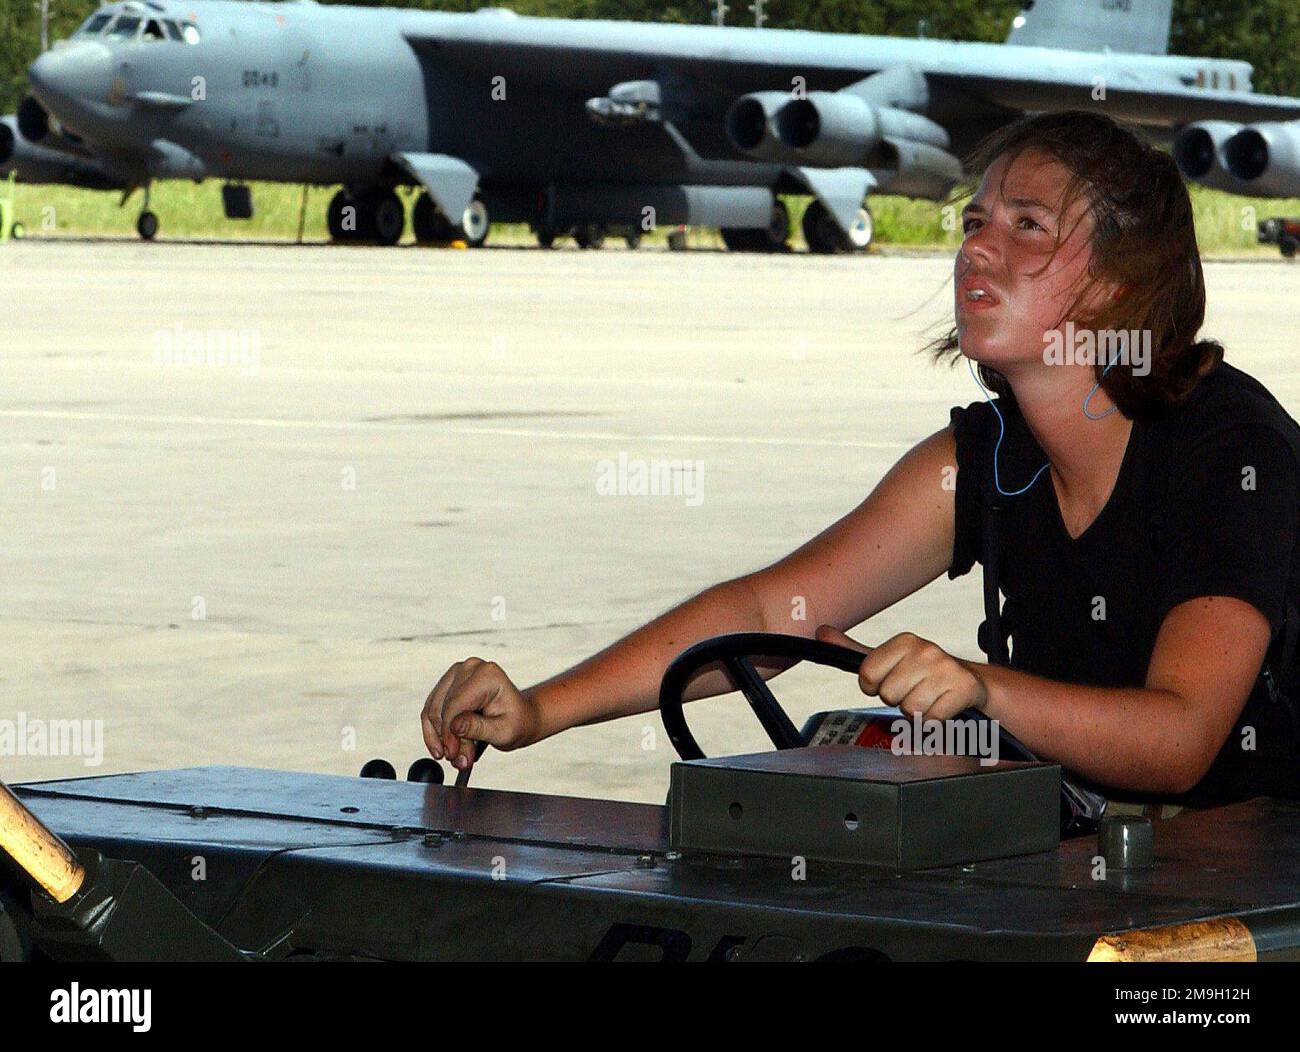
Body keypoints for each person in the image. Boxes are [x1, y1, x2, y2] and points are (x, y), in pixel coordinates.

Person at [421, 110, 1300, 810]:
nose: (978, 249)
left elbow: (1181, 739)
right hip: (1113, 864)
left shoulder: (1229, 450)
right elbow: (774, 612)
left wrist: (982, 693)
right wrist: (539, 710)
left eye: (1028, 227)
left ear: (1118, 282)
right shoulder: (985, 458)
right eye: (977, 220)